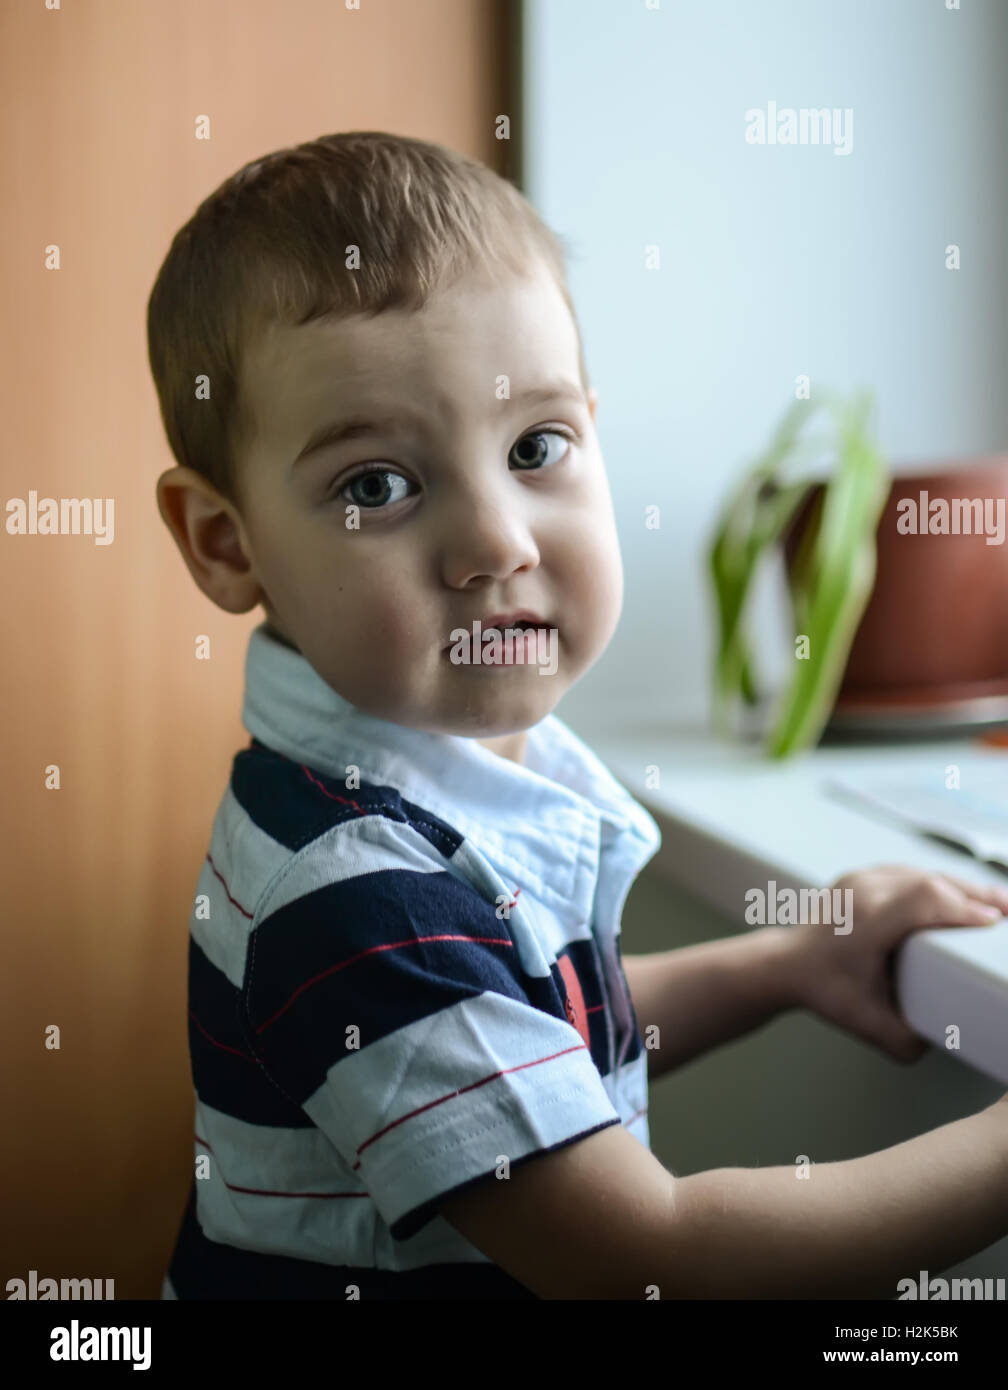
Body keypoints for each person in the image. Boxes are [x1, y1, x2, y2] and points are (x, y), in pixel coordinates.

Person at [148, 131, 1008, 1299]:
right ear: (225, 540)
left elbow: (524, 1025)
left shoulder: (424, 774)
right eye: (376, 485)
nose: (498, 540)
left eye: (536, 446)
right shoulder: (350, 893)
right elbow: (653, 1255)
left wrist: (794, 963)